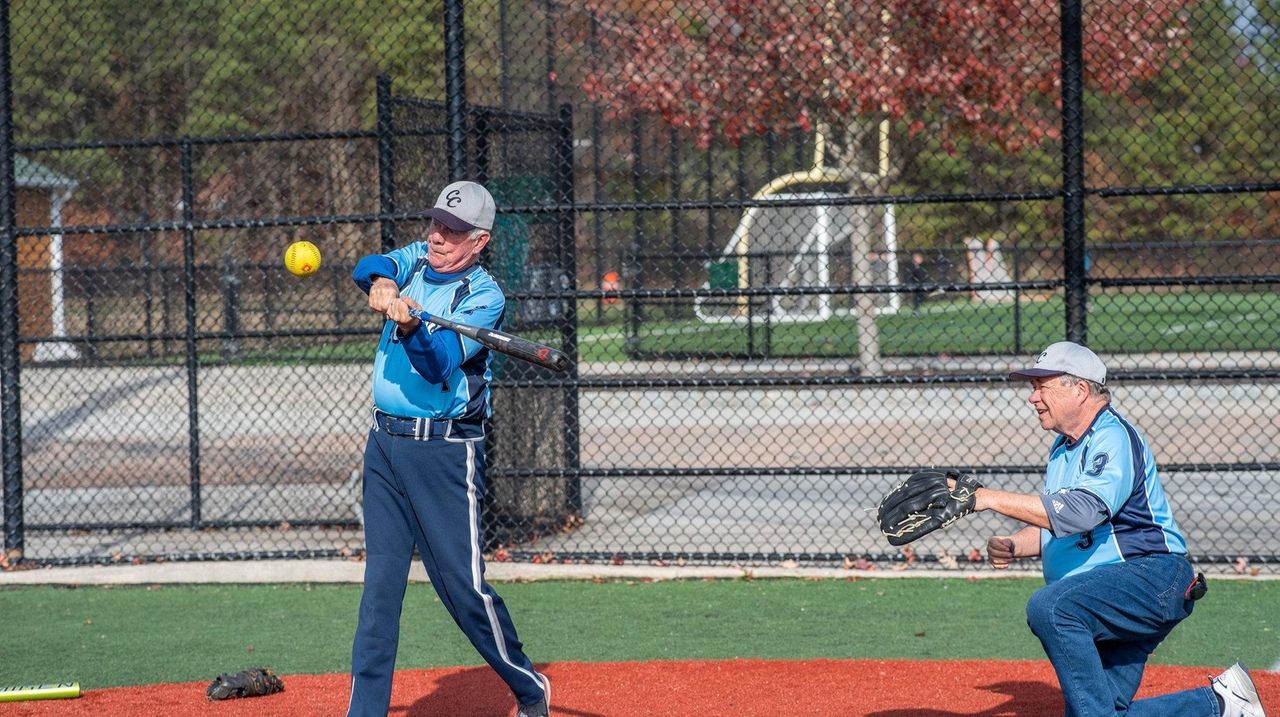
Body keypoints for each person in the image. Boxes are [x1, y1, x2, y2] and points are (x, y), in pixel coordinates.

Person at [346, 180, 551, 717]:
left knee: (463, 590)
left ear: (479, 241)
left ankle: (529, 688)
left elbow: (438, 367)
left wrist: (412, 325)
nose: (439, 236)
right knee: (379, 592)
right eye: (438, 223)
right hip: (385, 446)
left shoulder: (485, 297)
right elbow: (369, 264)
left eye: (455, 230)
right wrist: (384, 284)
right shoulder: (416, 257)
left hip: (443, 453)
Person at [976, 341, 1267, 717]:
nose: (1033, 398)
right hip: (1113, 591)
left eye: (1041, 386)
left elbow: (1081, 512)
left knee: (1050, 607)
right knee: (1100, 712)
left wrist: (985, 497)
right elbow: (1073, 525)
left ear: (1079, 389)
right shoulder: (1064, 447)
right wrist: (1015, 544)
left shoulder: (1111, 437)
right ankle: (1221, 704)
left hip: (1151, 577)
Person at [906, 251, 928, 316]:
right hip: (915, 285)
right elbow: (910, 277)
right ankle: (916, 310)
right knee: (917, 298)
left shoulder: (922, 267)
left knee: (922, 296)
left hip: (921, 284)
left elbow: (923, 276)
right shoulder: (912, 267)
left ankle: (916, 309)